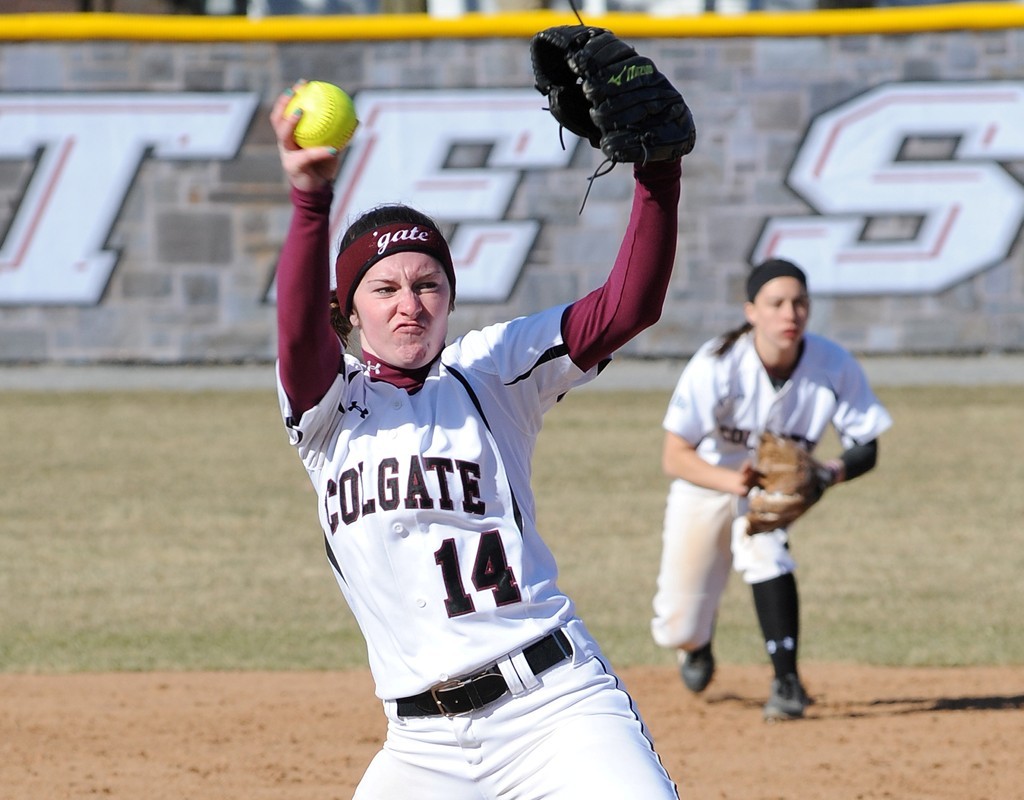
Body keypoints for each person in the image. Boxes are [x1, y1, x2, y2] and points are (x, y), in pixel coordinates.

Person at [270, 77, 686, 798]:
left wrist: (658, 173)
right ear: (349, 312)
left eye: (428, 284)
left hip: (554, 709)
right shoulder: (325, 411)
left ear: (452, 297)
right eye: (385, 288)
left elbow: (628, 307)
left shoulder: (490, 370)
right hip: (421, 746)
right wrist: (311, 201)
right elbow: (298, 336)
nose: (410, 304)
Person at [650, 258, 893, 721]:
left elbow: (867, 445)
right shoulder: (718, 364)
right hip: (706, 483)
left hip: (767, 495)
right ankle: (696, 643)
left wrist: (828, 473)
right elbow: (674, 455)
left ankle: (787, 681)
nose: (790, 314)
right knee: (676, 622)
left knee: (768, 555)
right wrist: (730, 480)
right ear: (751, 312)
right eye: (776, 303)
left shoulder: (832, 364)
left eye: (799, 302)